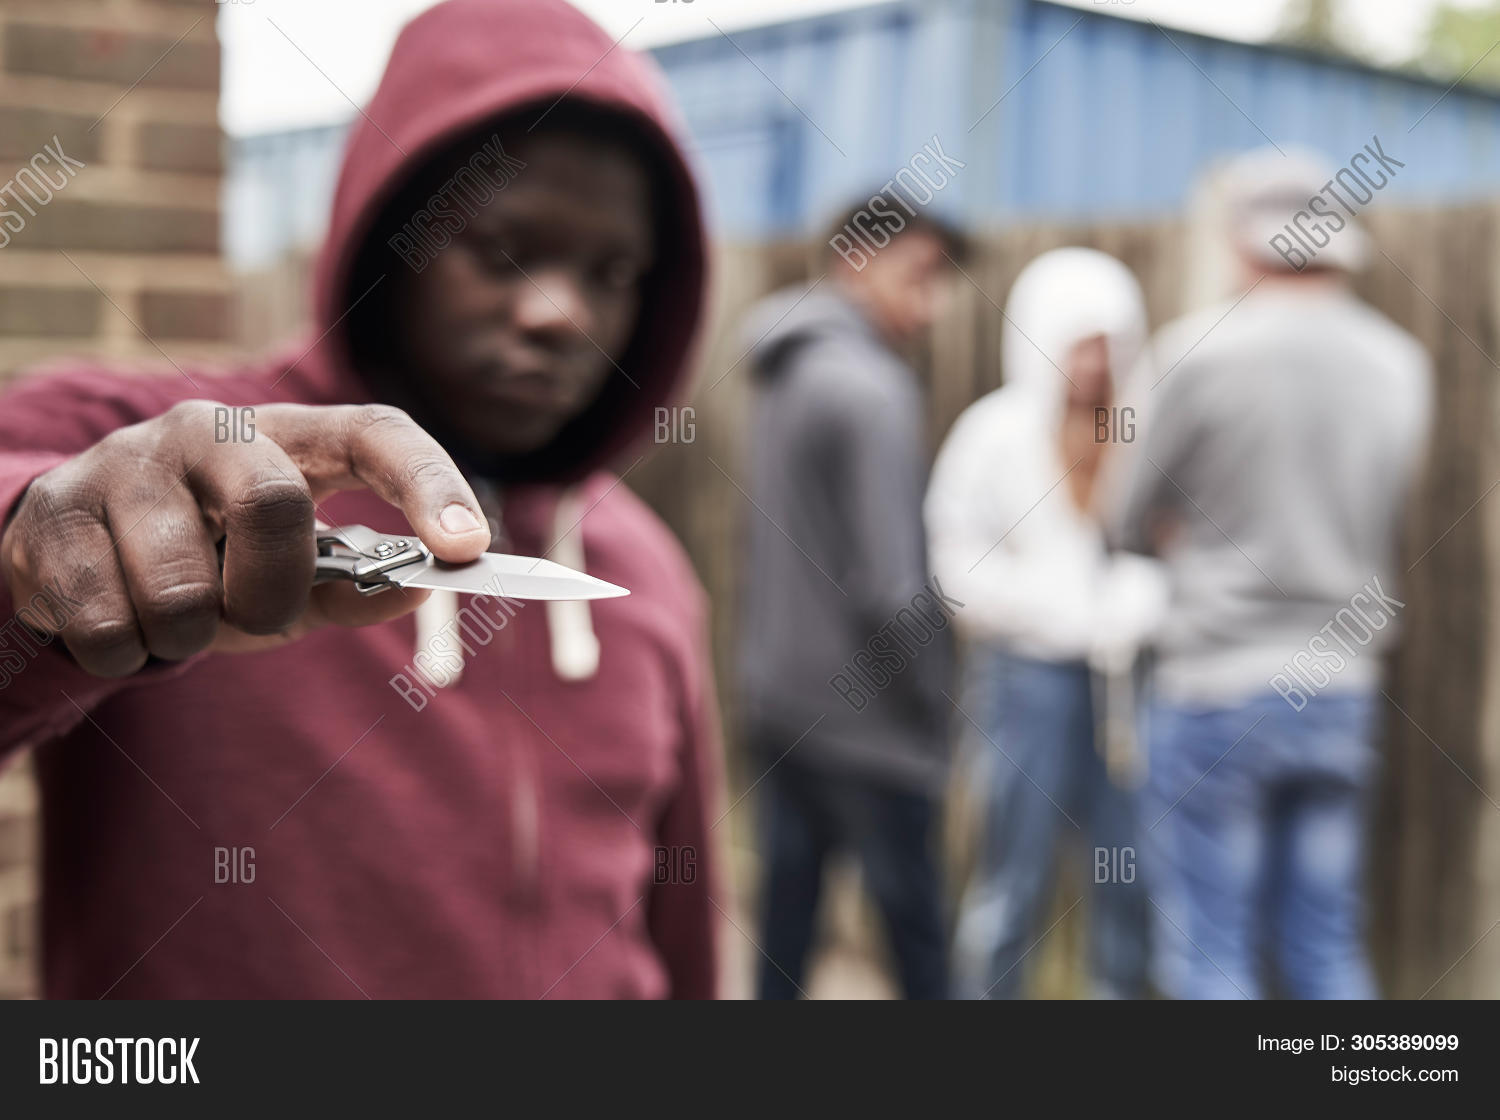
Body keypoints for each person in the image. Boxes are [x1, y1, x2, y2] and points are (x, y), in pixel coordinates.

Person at [0, 0, 723, 999]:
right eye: (501, 248)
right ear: (395, 238)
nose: (560, 313)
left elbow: (685, 938)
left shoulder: (643, 575)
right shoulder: (153, 455)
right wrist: (32, 549)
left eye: (611, 271)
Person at [1100, 147, 1433, 999]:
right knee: (1324, 948)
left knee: (1213, 954)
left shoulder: (1195, 356)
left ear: (1243, 243)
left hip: (1216, 686)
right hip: (1341, 688)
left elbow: (1125, 520)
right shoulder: (1400, 363)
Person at [737, 201, 963, 999]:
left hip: (780, 699)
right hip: (873, 726)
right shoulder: (870, 388)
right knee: (921, 945)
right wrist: (936, 704)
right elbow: (889, 586)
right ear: (857, 260)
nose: (930, 305)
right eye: (920, 277)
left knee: (785, 932)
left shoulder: (782, 368)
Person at [926, 248, 1165, 999]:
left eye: (1107, 344)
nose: (1094, 364)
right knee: (1010, 877)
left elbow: (1177, 540)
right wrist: (1043, 604)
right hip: (1023, 680)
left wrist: (1144, 596)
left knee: (1127, 874)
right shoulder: (992, 433)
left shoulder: (1141, 431)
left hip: (1125, 681)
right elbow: (954, 561)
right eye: (1078, 343)